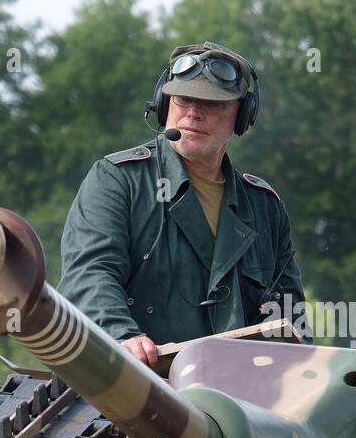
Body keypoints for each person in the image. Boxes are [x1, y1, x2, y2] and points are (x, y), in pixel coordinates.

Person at [58, 41, 305, 366]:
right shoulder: (118, 180)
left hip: (241, 397)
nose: (193, 112)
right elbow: (89, 273)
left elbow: (290, 319)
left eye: (212, 103)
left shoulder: (264, 207)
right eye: (184, 98)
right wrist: (122, 335)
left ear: (242, 116)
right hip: (139, 384)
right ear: (164, 102)